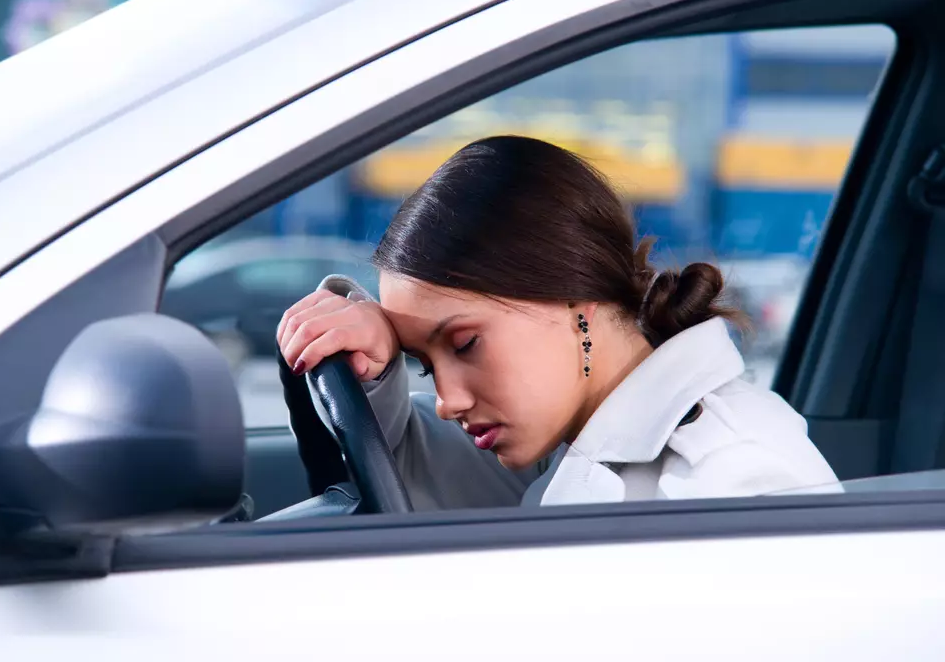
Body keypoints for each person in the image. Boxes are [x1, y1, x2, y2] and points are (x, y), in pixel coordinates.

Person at [277, 135, 839, 510]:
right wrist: (372, 364)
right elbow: (418, 489)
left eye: (466, 344)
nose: (447, 400)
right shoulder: (577, 435)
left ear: (578, 298)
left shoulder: (736, 479)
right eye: (424, 365)